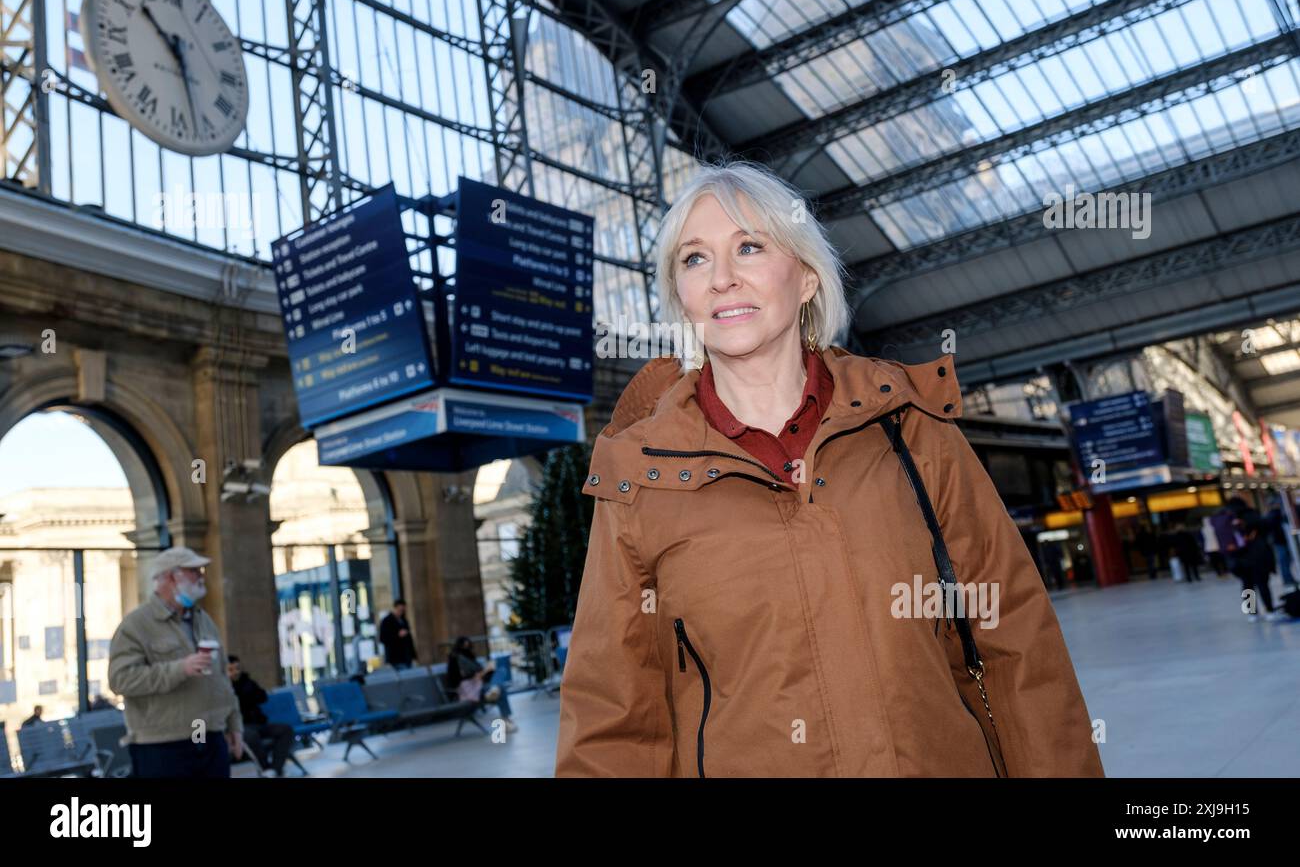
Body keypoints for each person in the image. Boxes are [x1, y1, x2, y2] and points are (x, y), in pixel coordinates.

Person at [554, 161, 1104, 778]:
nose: (722, 278)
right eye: (695, 259)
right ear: (681, 296)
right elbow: (612, 714)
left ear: (808, 277)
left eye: (749, 247)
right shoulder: (640, 476)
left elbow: (1017, 643)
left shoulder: (909, 428)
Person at [107, 546, 244, 777]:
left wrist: (234, 725)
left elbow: (221, 677)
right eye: (194, 571)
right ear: (171, 577)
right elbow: (121, 680)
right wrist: (180, 669)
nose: (201, 576)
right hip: (163, 745)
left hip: (205, 735)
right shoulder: (136, 625)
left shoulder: (203, 619)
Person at [227, 655, 295, 776]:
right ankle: (266, 768)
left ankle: (276, 768)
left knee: (286, 730)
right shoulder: (223, 688)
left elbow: (262, 697)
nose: (235, 672)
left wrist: (248, 694)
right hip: (240, 727)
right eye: (231, 670)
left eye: (237, 668)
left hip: (258, 723)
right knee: (251, 736)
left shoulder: (247, 682)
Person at [445, 636, 517, 733]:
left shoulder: (468, 657)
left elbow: (478, 673)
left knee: (501, 672)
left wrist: (485, 672)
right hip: (472, 689)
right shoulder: (457, 658)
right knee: (500, 688)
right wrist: (482, 673)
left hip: (480, 684)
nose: (467, 648)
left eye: (468, 646)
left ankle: (494, 689)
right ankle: (505, 719)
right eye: (464, 646)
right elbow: (465, 677)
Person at [1229, 513, 1287, 622]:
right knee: (1259, 586)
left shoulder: (1235, 526)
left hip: (1246, 562)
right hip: (1252, 562)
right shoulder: (1251, 526)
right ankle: (1266, 611)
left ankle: (1257, 613)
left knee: (1250, 587)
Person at [378, 599, 417, 669]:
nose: (401, 612)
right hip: (396, 657)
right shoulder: (386, 621)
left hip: (407, 656)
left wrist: (413, 655)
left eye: (403, 610)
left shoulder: (403, 620)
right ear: (395, 608)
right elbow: (383, 638)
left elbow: (409, 639)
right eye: (400, 610)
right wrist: (398, 635)